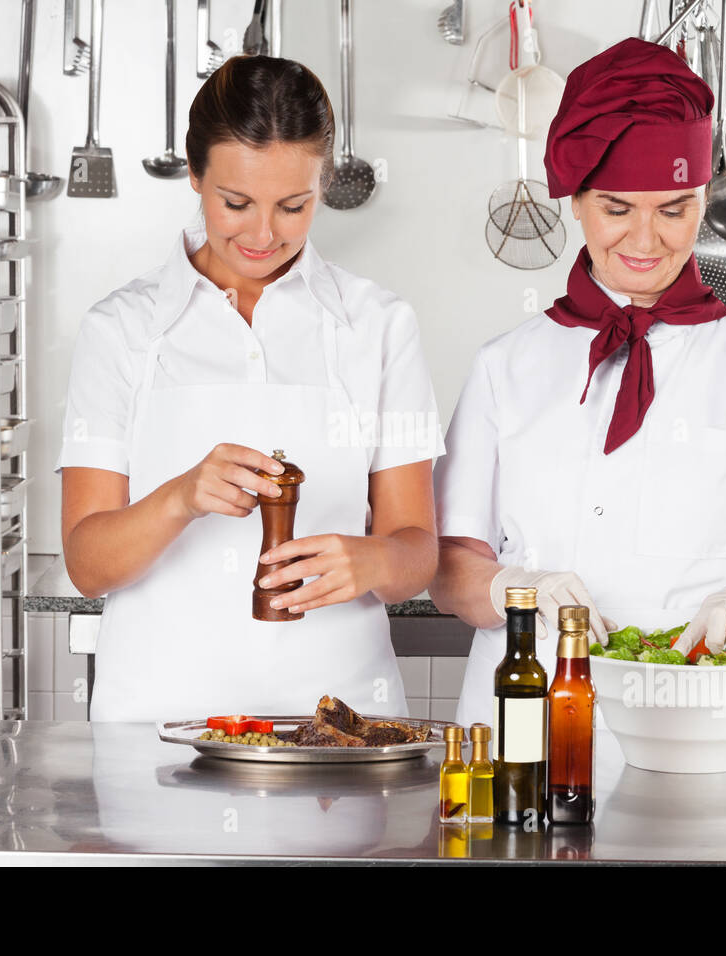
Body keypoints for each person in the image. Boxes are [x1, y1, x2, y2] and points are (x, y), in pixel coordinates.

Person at [429, 38, 726, 729]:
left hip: (700, 725)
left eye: (674, 209)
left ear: (704, 200)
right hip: (524, 721)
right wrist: (519, 588)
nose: (646, 239)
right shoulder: (503, 366)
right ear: (575, 200)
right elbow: (452, 569)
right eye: (616, 208)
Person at [56, 56, 444, 722]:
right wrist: (181, 497)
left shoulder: (378, 325)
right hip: (157, 727)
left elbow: (418, 551)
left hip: (337, 727)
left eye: (293, 206)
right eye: (235, 204)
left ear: (321, 183)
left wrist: (374, 559)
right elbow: (89, 564)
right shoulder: (122, 328)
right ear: (194, 176)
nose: (264, 235)